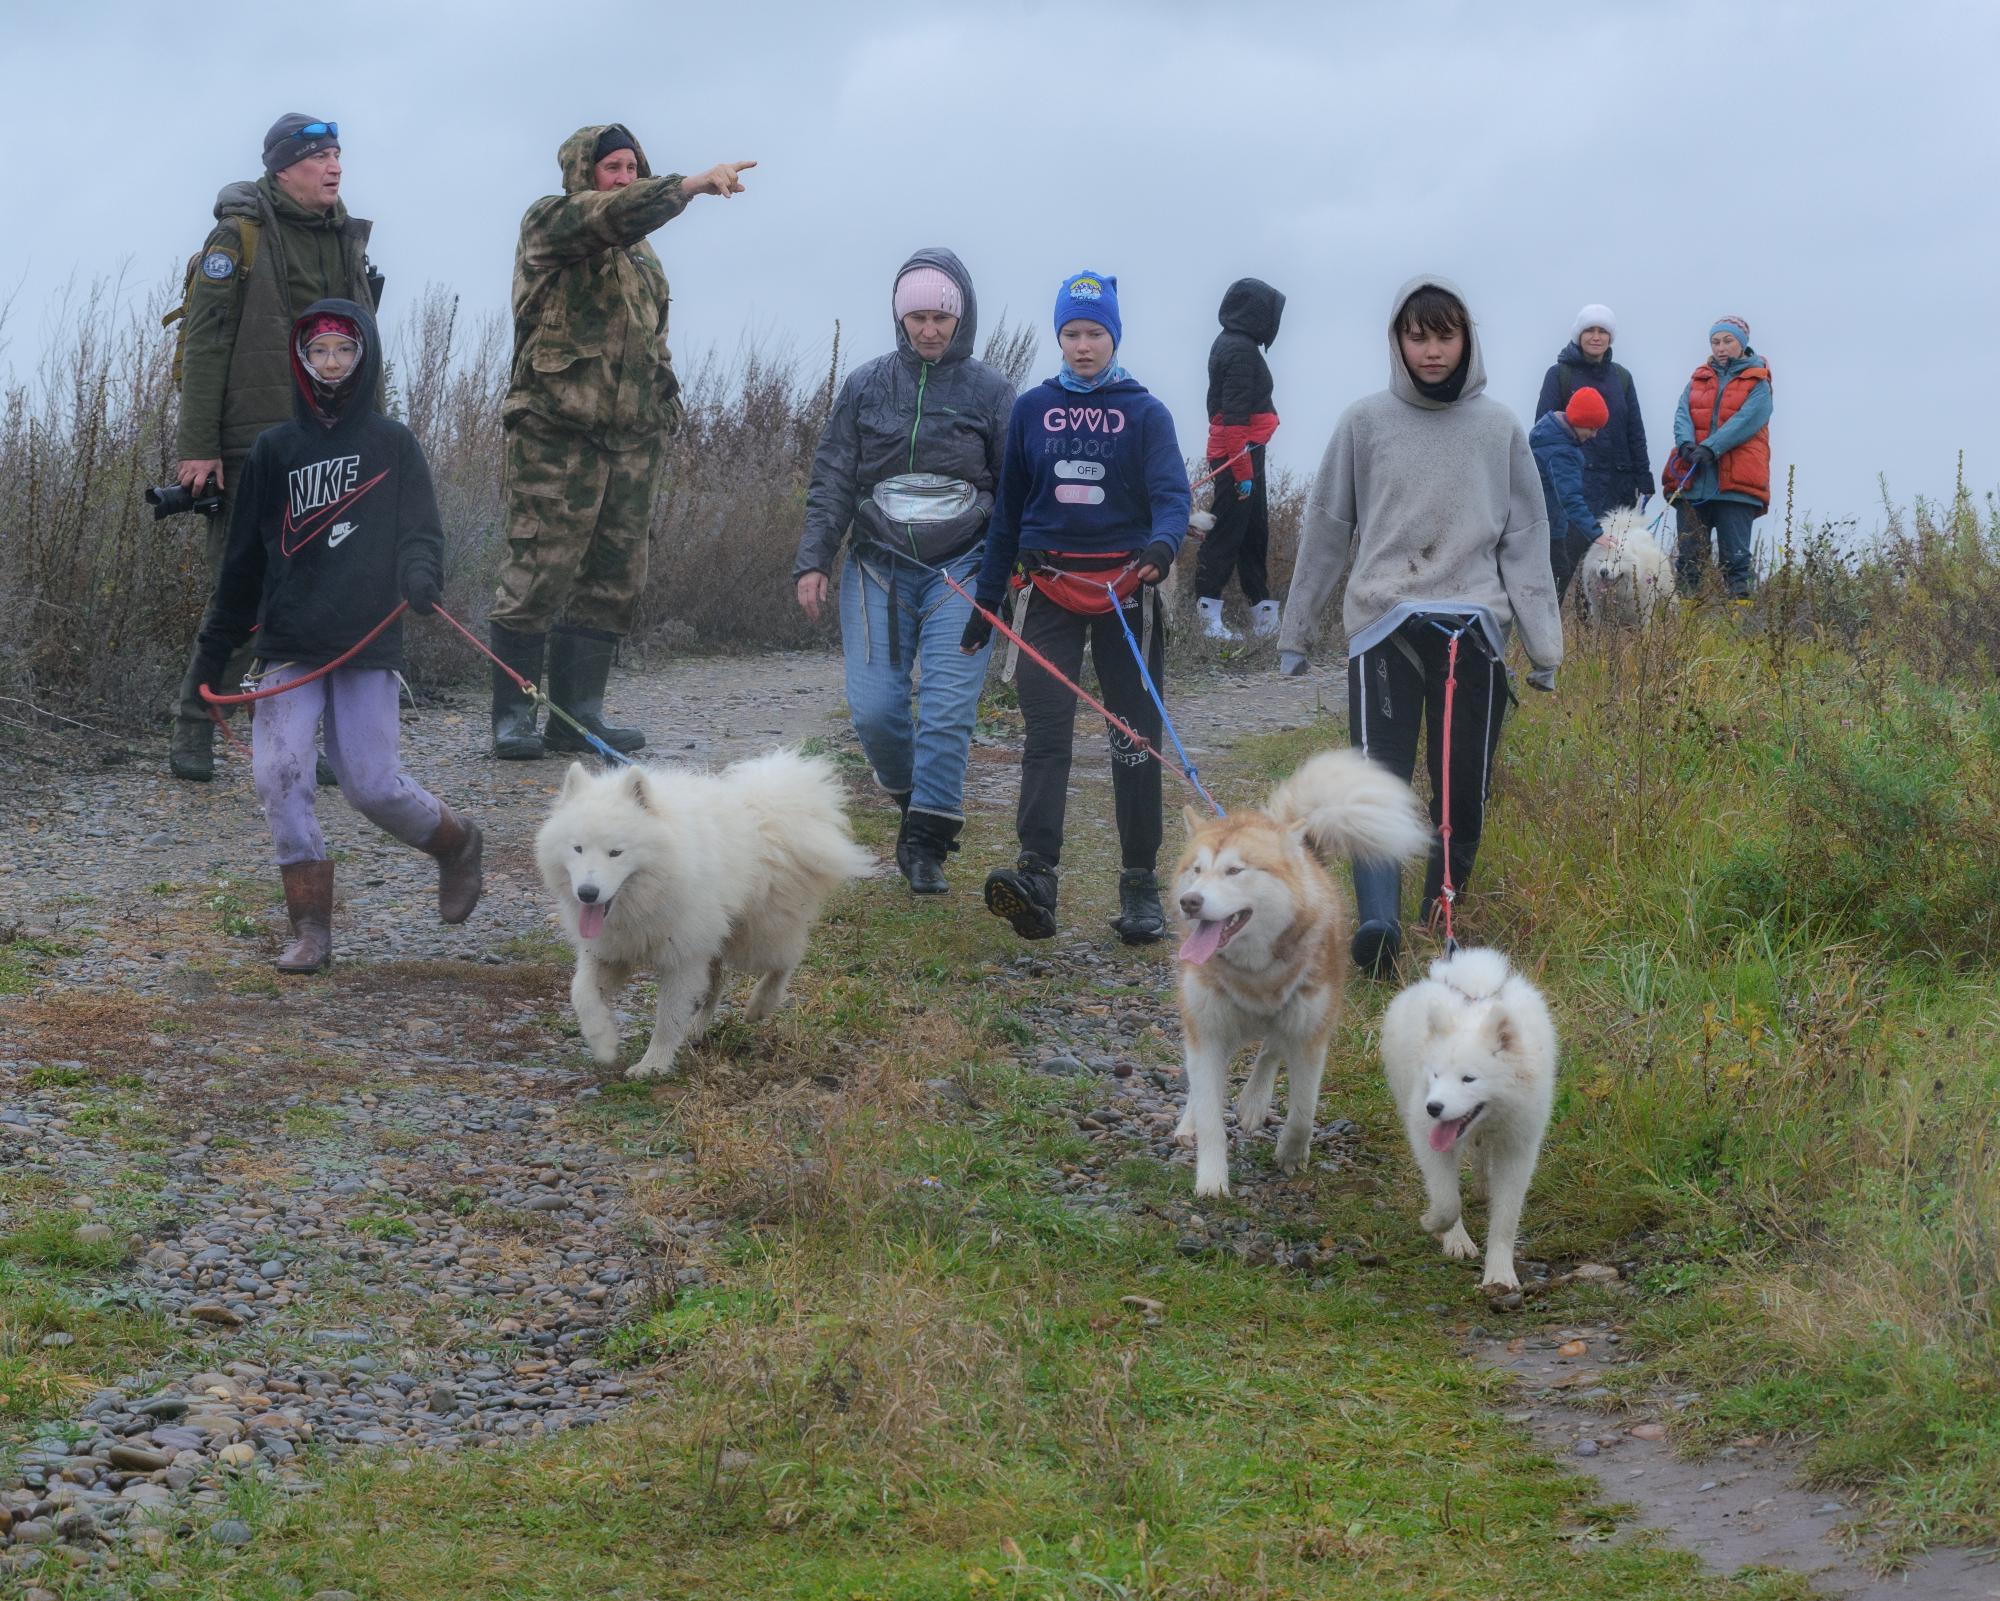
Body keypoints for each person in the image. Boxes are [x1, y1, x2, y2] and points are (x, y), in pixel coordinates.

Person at [1276, 276, 1562, 976]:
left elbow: (1526, 536)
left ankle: (1440, 912)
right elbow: (1327, 529)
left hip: (1474, 627)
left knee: (1462, 786)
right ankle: (1378, 925)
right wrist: (1296, 627)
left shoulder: (1499, 429)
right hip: (1385, 624)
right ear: (1397, 341)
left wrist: (1544, 644)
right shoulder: (1364, 423)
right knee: (1376, 783)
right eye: (1417, 335)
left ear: (1466, 340)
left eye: (1444, 335)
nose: (1431, 351)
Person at [189, 301, 483, 974]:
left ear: (363, 357)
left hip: (365, 643)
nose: (329, 364)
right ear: (300, 360)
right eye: (317, 352)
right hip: (289, 641)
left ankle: (456, 840)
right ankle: (311, 930)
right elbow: (241, 567)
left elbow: (422, 533)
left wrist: (419, 574)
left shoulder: (393, 443)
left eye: (342, 352)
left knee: (371, 783)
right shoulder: (273, 451)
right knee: (279, 774)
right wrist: (207, 661)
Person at [488, 126, 755, 760]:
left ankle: (577, 716)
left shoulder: (642, 258)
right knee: (538, 571)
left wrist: (659, 410)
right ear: (585, 172)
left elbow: (651, 340)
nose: (625, 176)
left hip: (632, 439)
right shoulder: (552, 224)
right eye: (612, 166)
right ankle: (514, 717)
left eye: (634, 165)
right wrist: (689, 184)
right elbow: (609, 215)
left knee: (615, 578)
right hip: (557, 432)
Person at [960, 271, 1191, 944]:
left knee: (1132, 737)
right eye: (1071, 333)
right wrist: (986, 604)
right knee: (1046, 733)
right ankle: (1036, 877)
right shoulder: (1032, 409)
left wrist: (1162, 545)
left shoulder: (1146, 413)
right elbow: (1006, 515)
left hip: (1127, 591)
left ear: (1114, 335)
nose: (1083, 346)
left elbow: (1172, 496)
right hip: (1048, 591)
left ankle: (1140, 885)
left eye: (1094, 333)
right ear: (1057, 337)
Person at [792, 250, 1014, 893]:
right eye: (916, 316)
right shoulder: (864, 386)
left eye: (941, 316)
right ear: (899, 317)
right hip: (877, 565)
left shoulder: (995, 393)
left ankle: (926, 844)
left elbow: (1015, 486)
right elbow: (832, 477)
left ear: (961, 316)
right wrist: (814, 560)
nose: (929, 330)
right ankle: (915, 801)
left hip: (964, 569)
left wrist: (1012, 562)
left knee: (947, 710)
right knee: (876, 709)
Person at [169, 113, 382, 783]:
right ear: (283, 168)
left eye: (338, 154)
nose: (335, 166)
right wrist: (199, 447)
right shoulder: (239, 237)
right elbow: (204, 346)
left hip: (329, 445)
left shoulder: (343, 238)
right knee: (244, 593)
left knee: (315, 595)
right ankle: (194, 724)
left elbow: (359, 347)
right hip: (252, 446)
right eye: (319, 156)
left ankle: (288, 735)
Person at [1195, 277, 1285, 643]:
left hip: (1246, 452)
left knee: (1253, 532)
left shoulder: (1235, 344)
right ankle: (1207, 615)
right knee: (1227, 531)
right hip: (1238, 454)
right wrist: (1242, 471)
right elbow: (1233, 418)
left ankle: (1263, 614)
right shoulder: (1240, 350)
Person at [1668, 316, 1773, 601]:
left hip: (1736, 488)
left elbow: (1747, 421)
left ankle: (1739, 624)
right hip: (1695, 484)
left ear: (1742, 343)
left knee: (1736, 561)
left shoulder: (1759, 381)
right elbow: (1682, 413)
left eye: (1728, 341)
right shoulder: (1698, 378)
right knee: (1689, 559)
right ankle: (1685, 630)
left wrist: (1711, 447)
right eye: (1716, 342)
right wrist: (1687, 445)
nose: (1721, 347)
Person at [1532, 304, 1650, 516]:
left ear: (1610, 337)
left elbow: (1635, 433)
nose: (1596, 337)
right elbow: (1543, 434)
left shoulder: (1622, 378)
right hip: (1574, 487)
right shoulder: (1559, 375)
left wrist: (1644, 478)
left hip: (1618, 489)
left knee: (1615, 550)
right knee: (1572, 549)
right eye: (1589, 330)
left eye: (1603, 331)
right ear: (1579, 335)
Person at [1530, 387, 1610, 601]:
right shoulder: (1562, 452)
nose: (1594, 435)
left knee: (1545, 574)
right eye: (1592, 428)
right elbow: (1570, 498)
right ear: (1579, 420)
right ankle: (1545, 625)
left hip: (1535, 523)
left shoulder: (1547, 432)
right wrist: (1597, 534)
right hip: (1547, 525)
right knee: (1559, 573)